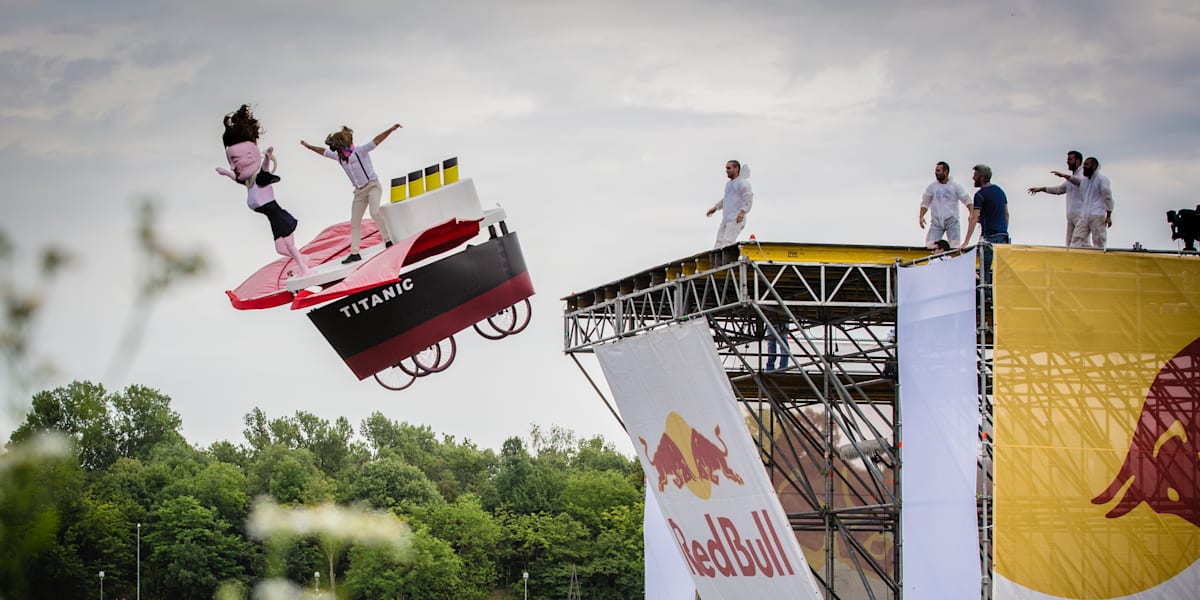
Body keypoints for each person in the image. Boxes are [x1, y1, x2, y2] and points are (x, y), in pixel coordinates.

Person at [216, 105, 309, 276]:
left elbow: (265, 171)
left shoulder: (260, 179)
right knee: (280, 249)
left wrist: (267, 157)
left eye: (235, 160)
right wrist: (225, 172)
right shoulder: (248, 182)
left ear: (251, 155)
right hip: (272, 219)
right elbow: (236, 178)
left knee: (289, 245)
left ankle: (305, 268)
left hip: (279, 216)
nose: (232, 166)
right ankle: (304, 260)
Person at [301, 123, 402, 264]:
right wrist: (309, 147)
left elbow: (376, 141)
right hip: (359, 192)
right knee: (354, 222)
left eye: (339, 151)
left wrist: (391, 129)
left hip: (373, 186)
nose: (337, 154)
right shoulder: (339, 157)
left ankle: (388, 240)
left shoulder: (360, 152)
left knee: (374, 212)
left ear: (345, 148)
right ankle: (355, 253)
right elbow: (323, 152)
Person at [960, 164, 1009, 294]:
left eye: (975, 176)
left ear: (981, 177)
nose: (972, 178)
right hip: (1003, 237)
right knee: (1001, 270)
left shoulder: (980, 195)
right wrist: (1004, 229)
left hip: (989, 237)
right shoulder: (1000, 191)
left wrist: (966, 241)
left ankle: (987, 297)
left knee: (985, 269)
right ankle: (1001, 296)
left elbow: (974, 218)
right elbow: (1006, 214)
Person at [1027, 150, 1085, 245]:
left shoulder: (1082, 174)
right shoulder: (1073, 176)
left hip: (1080, 216)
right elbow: (1059, 189)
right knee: (1069, 244)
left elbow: (1080, 182)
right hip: (1071, 217)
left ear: (1077, 161)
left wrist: (1065, 176)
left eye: (1070, 159)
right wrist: (1042, 189)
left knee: (1081, 242)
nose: (1067, 162)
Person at [918, 161, 971, 248]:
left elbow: (967, 200)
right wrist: (921, 216)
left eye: (938, 171)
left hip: (952, 222)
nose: (936, 173)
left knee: (955, 246)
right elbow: (925, 202)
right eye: (935, 170)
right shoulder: (932, 187)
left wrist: (971, 213)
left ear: (945, 172)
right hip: (936, 222)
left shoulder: (955, 186)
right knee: (930, 245)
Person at [1064, 157, 1114, 248]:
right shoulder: (1085, 182)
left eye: (1087, 165)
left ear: (1094, 166)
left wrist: (1108, 215)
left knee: (1099, 240)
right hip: (1084, 215)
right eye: (1084, 165)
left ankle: (1100, 258)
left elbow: (1108, 197)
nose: (1084, 167)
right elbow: (1083, 197)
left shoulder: (1101, 180)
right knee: (1076, 239)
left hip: (1097, 214)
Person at [705, 160, 754, 248]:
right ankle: (717, 261)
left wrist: (742, 212)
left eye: (729, 168)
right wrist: (715, 208)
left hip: (735, 218)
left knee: (727, 242)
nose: (726, 170)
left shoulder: (742, 183)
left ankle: (726, 260)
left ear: (736, 169)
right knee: (719, 242)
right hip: (727, 218)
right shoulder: (729, 184)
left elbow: (748, 198)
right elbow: (727, 199)